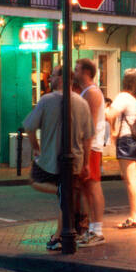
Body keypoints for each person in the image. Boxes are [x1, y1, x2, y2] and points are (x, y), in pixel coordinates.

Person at [23, 68, 93, 252]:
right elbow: (88, 137)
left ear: (61, 79)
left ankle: (59, 235)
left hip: (50, 157)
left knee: (36, 181)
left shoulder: (47, 100)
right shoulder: (82, 102)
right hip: (75, 158)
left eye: (53, 75)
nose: (50, 78)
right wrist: (86, 162)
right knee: (65, 194)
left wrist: (36, 148)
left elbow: (29, 127)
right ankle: (64, 196)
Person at [105, 69, 136, 228]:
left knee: (130, 180)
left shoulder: (124, 97)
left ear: (125, 82)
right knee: (135, 179)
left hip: (127, 140)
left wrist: (112, 128)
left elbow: (110, 115)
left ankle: (135, 216)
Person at [71, 58, 107, 246]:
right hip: (88, 146)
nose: (74, 73)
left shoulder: (92, 93)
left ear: (85, 72)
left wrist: (85, 158)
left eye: (77, 69)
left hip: (91, 147)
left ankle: (97, 230)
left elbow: (90, 126)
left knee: (93, 186)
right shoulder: (87, 92)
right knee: (87, 188)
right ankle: (92, 228)